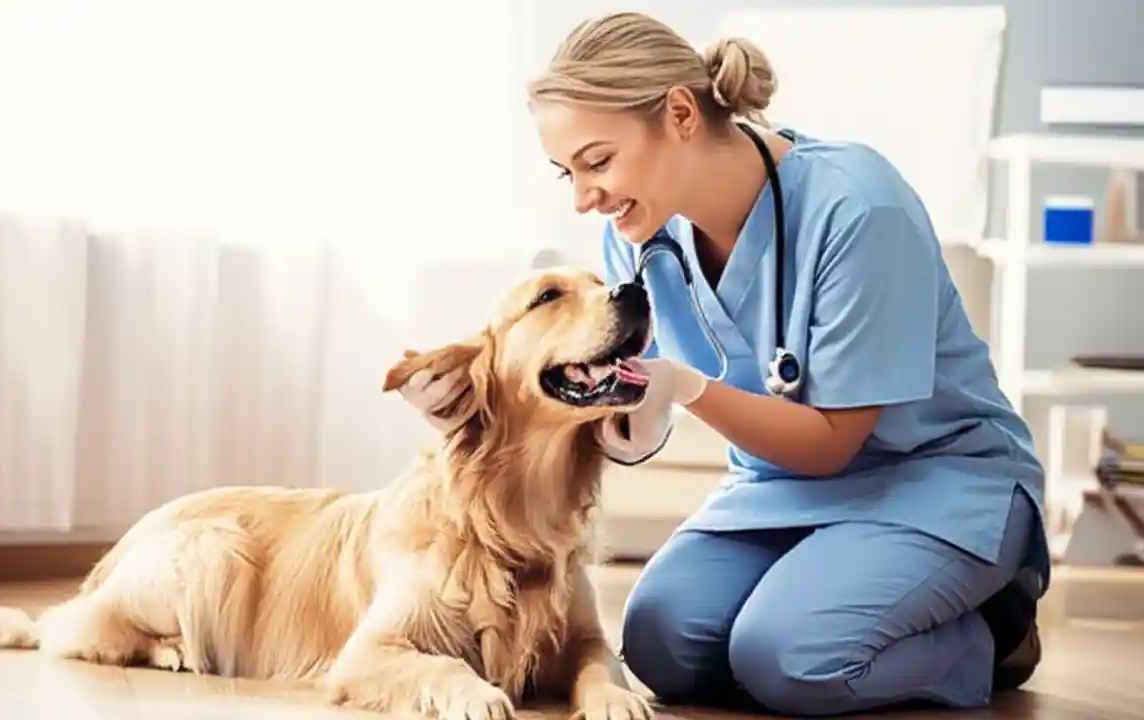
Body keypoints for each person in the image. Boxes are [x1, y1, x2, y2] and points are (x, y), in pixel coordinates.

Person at [398, 10, 1049, 718]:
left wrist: (684, 387)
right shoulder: (639, 235)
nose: (585, 197)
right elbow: (638, 403)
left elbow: (831, 443)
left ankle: (990, 632)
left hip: (936, 485)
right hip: (777, 491)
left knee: (791, 659)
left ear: (680, 112)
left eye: (597, 161)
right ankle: (839, 606)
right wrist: (512, 409)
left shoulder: (857, 207)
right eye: (567, 173)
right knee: (660, 645)